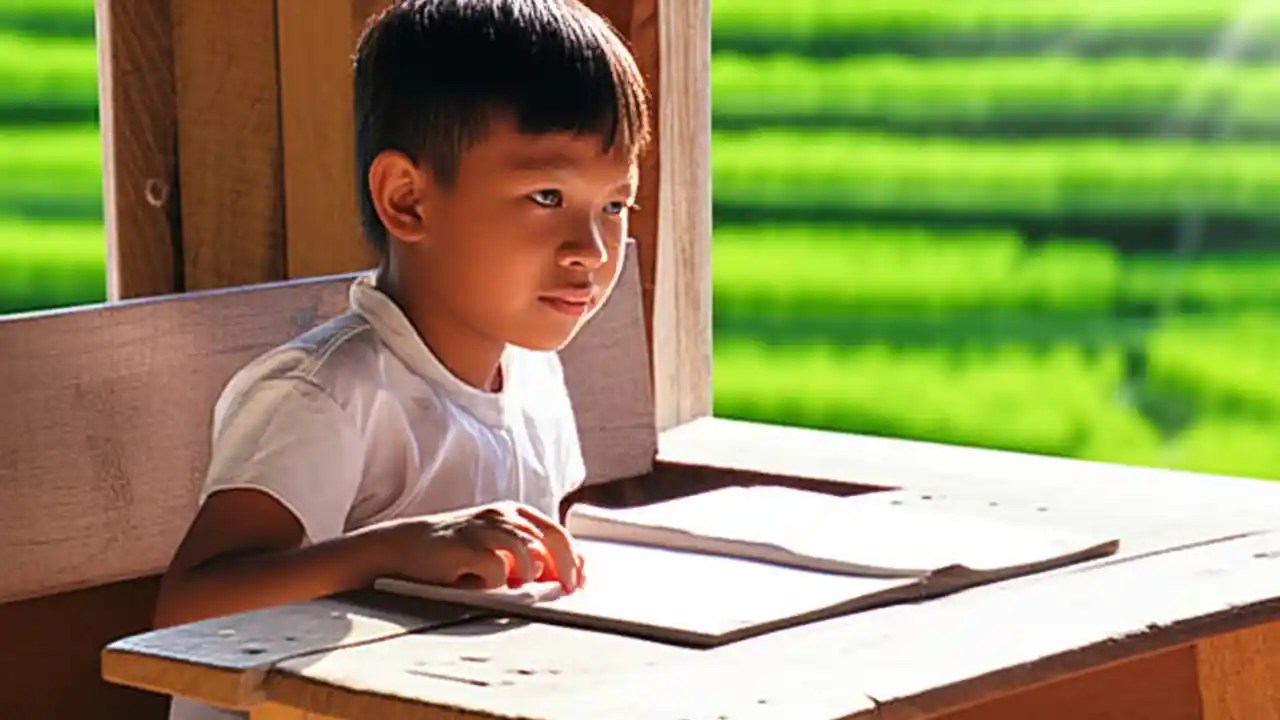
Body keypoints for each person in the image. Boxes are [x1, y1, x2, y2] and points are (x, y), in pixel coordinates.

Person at [157, 0, 649, 716]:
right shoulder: (327, 396)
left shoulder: (535, 377)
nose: (592, 250)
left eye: (613, 205)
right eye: (547, 195)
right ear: (408, 200)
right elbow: (185, 611)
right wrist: (386, 552)